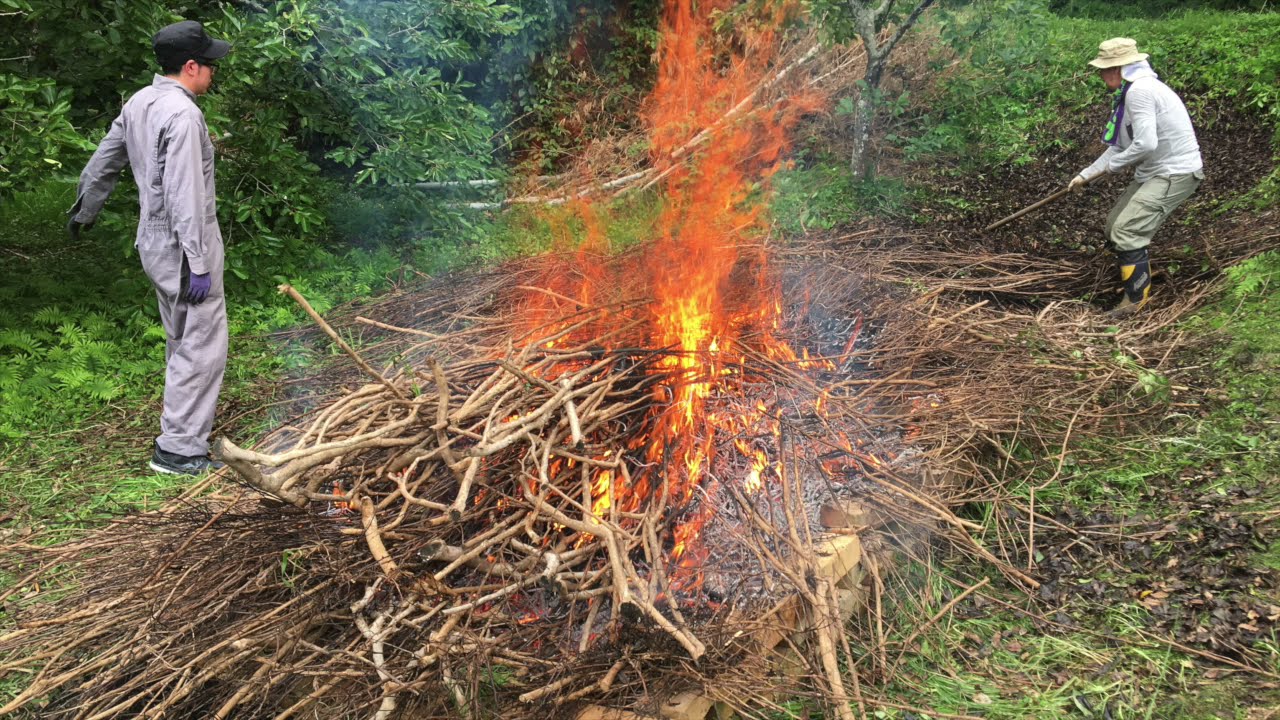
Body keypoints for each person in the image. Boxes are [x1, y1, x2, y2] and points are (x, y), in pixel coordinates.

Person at [66, 21, 231, 475]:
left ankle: (180, 435)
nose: (213, 73)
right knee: (201, 344)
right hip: (184, 244)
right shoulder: (183, 114)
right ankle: (179, 451)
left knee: (181, 337)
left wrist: (85, 208)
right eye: (210, 65)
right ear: (191, 66)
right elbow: (185, 195)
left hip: (154, 242)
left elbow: (105, 158)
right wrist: (198, 261)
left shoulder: (140, 101)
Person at [1067, 37, 1203, 316]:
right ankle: (1135, 277)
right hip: (1153, 172)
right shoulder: (1130, 93)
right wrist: (1085, 175)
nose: (1100, 75)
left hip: (1175, 172)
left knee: (1127, 231)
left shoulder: (1140, 91)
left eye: (1103, 69)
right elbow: (1118, 146)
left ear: (1118, 69)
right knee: (1114, 226)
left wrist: (1115, 167)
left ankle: (1135, 302)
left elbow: (1146, 144)